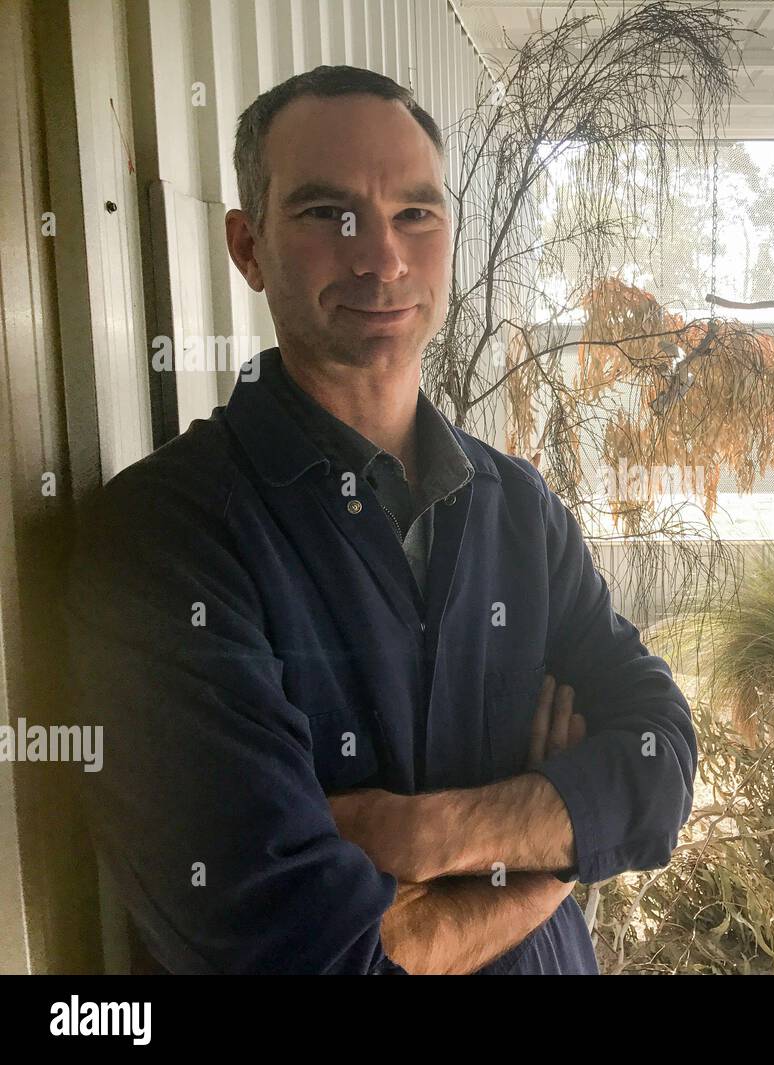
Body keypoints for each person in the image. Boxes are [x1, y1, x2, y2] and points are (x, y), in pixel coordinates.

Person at [62, 65, 697, 975]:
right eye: (326, 215)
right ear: (248, 247)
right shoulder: (169, 542)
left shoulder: (519, 510)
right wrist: (556, 845)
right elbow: (304, 954)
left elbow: (659, 761)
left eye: (416, 214)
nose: (383, 258)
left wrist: (424, 834)